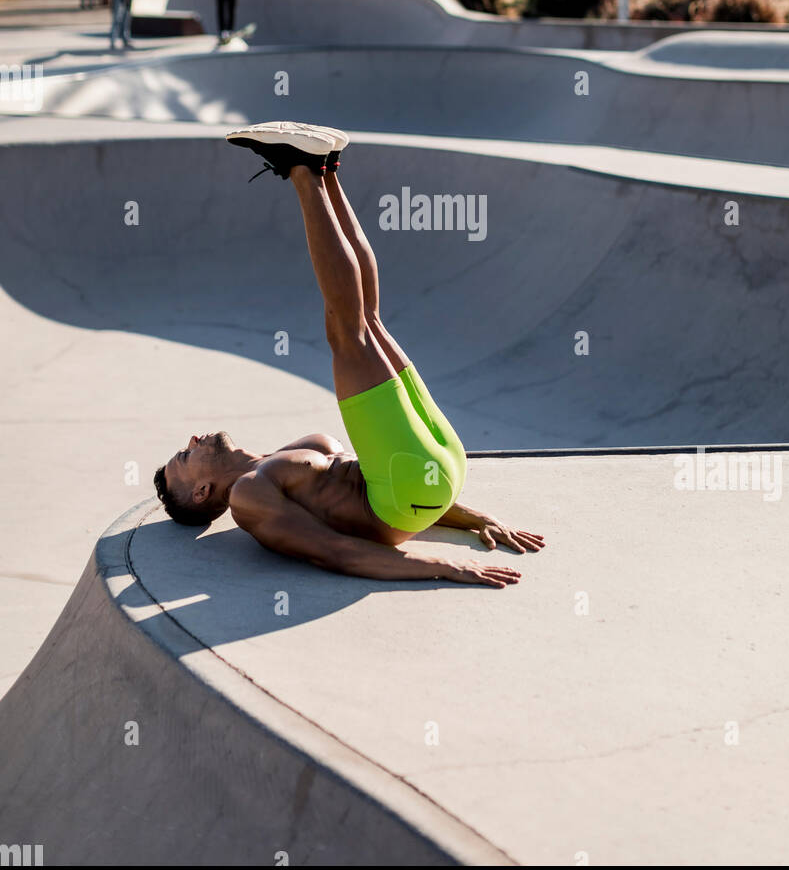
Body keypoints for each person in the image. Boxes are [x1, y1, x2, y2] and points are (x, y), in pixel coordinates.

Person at [153, 122, 544, 587]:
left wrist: (474, 517)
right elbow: (332, 551)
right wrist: (445, 566)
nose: (193, 440)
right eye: (184, 455)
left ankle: (325, 167)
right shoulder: (248, 499)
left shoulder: (276, 460)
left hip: (436, 473)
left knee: (369, 318)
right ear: (201, 492)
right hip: (407, 494)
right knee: (349, 334)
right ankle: (299, 167)